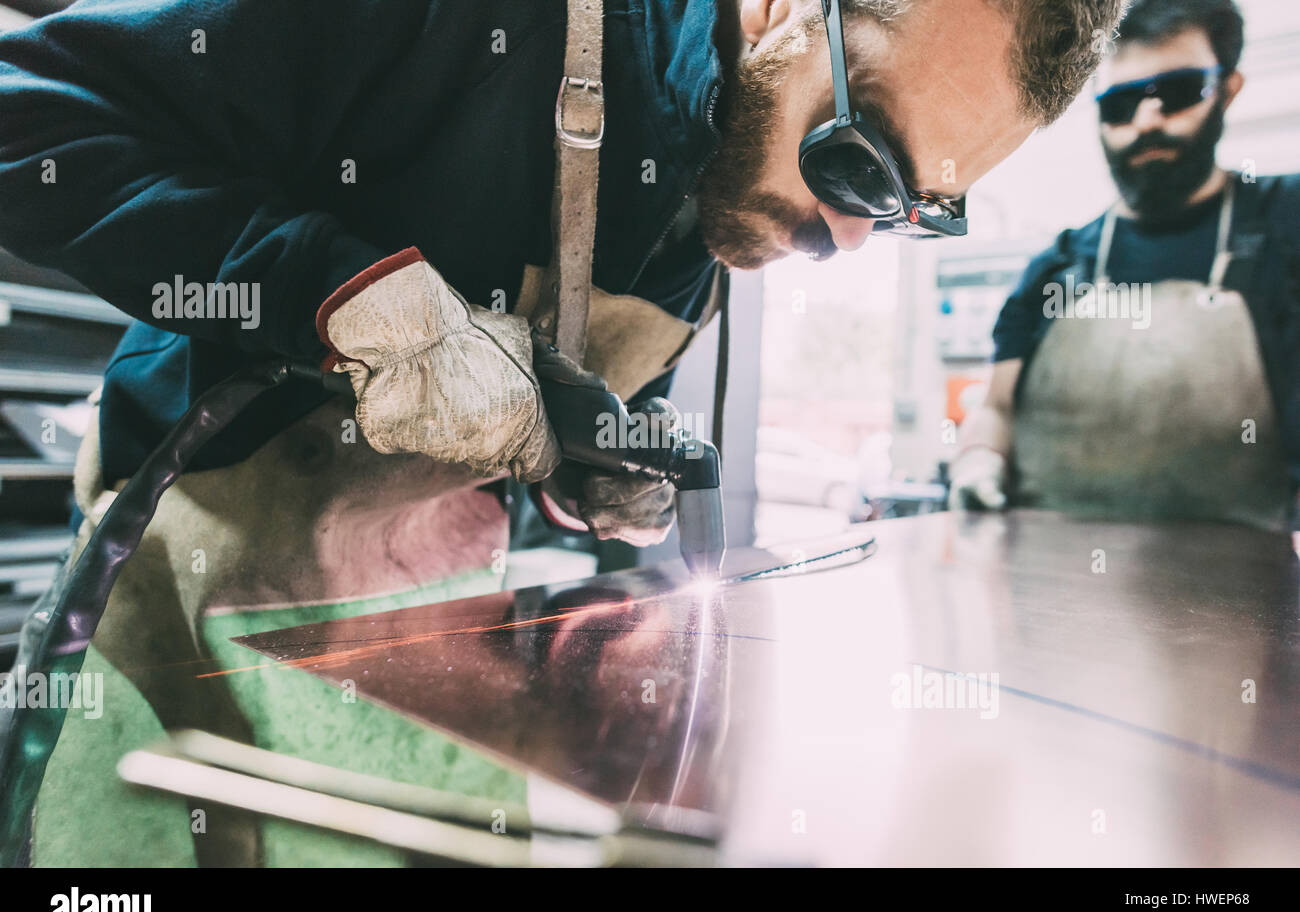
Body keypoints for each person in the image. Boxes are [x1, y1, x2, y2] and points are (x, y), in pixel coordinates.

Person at [0, 0, 1122, 865]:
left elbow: (523, 389)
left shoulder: (721, 179)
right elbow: (27, 109)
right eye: (855, 162)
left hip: (411, 659)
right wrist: (327, 289)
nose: (848, 235)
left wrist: (581, 457)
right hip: (187, 617)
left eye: (911, 208)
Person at [951, 0, 1300, 531]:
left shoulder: (1287, 225)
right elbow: (997, 408)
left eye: (1178, 93)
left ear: (1228, 90)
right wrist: (980, 461)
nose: (1146, 120)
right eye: (1120, 103)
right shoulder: (1055, 270)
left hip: (1246, 598)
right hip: (1056, 588)